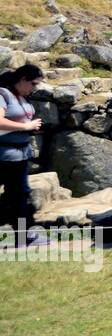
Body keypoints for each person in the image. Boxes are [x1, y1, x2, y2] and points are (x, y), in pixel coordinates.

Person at [0, 64, 46, 245]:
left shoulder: (21, 97)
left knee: (19, 195)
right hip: (5, 154)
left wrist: (31, 128)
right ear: (23, 79)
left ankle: (23, 236)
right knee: (19, 195)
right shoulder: (3, 94)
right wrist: (26, 126)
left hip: (20, 154)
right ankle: (23, 237)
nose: (35, 88)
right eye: (34, 84)